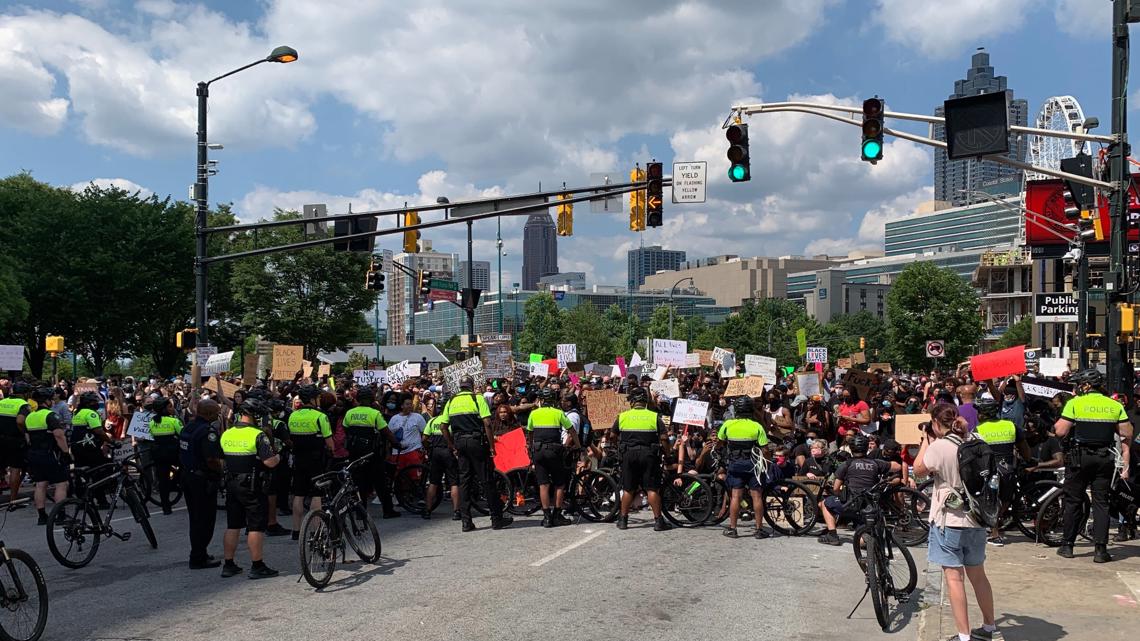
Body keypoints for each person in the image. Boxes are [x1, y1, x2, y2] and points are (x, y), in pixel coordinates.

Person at [913, 403, 999, 641]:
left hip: (949, 518)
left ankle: (963, 635)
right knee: (978, 575)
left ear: (936, 423)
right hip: (977, 517)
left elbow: (918, 470)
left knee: (954, 577)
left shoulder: (939, 446)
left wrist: (925, 440)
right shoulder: (977, 440)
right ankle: (989, 626)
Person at [1053, 368, 1133, 563]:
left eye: (1080, 384)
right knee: (1101, 503)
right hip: (1104, 458)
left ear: (1086, 386)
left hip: (1079, 458)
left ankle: (1067, 546)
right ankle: (1100, 550)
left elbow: (1061, 431)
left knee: (1073, 501)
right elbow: (1127, 432)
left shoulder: (1075, 403)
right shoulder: (1114, 405)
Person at [438, 376, 512, 531]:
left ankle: (466, 522)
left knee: (465, 482)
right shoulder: (477, 398)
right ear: (471, 386)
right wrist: (492, 446)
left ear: (460, 386)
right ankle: (496, 519)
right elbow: (487, 423)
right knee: (487, 480)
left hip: (460, 443)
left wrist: (452, 445)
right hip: (476, 442)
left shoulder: (451, 401)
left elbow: (443, 426)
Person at [220, 398, 281, 579]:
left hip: (232, 484)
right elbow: (270, 462)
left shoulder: (227, 433)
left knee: (233, 525)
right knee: (255, 526)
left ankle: (228, 564)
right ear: (254, 415)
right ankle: (257, 565)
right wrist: (278, 455)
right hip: (252, 486)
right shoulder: (257, 435)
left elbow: (222, 459)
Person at [816, 434, 900, 546]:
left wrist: (840, 494)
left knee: (825, 503)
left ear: (851, 449)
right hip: (870, 507)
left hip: (851, 504)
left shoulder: (846, 464)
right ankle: (866, 538)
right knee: (863, 541)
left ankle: (832, 535)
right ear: (866, 448)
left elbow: (836, 488)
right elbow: (897, 466)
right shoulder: (875, 463)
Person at [609, 386, 671, 532]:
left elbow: (612, 436)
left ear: (632, 402)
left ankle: (623, 520)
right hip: (649, 455)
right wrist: (667, 453)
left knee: (628, 489)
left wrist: (619, 446)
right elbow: (664, 438)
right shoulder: (654, 416)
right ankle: (658, 521)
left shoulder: (622, 416)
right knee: (652, 488)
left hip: (628, 455)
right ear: (646, 401)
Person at [973, 397, 1032, 546]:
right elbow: (1024, 448)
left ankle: (994, 531)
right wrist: (1029, 460)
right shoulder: (1010, 426)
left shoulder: (978, 429)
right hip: (1008, 469)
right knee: (1006, 499)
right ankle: (997, 522)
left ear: (983, 414)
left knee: (991, 500)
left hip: (989, 470)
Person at [716, 396, 770, 539]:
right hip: (753, 465)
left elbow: (719, 443)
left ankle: (733, 529)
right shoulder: (757, 426)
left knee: (735, 496)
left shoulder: (728, 425)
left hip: (735, 464)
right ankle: (759, 529)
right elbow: (765, 450)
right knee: (756, 497)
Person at [342, 387, 400, 518]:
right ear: (372, 399)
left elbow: (346, 429)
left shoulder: (350, 413)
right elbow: (386, 431)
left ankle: (361, 513)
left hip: (354, 454)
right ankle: (388, 511)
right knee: (380, 483)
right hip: (372, 454)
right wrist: (396, 443)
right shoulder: (375, 414)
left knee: (359, 483)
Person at [526, 388, 580, 528]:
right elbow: (571, 430)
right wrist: (578, 446)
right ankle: (557, 515)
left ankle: (547, 518)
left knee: (543, 485)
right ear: (554, 400)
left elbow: (530, 433)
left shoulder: (533, 413)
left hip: (538, 450)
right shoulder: (558, 413)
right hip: (554, 451)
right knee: (559, 484)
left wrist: (530, 448)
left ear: (541, 400)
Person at [179, 398, 224, 569]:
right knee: (204, 519)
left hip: (188, 476)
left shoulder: (188, 427)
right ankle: (198, 557)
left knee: (195, 517)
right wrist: (219, 472)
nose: (218, 415)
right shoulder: (207, 431)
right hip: (202, 479)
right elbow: (211, 459)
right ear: (208, 414)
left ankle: (200, 552)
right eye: (216, 413)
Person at [287, 385, 334, 540]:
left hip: (299, 459)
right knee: (316, 495)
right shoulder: (320, 416)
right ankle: (316, 531)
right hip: (316, 460)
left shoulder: (292, 416)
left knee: (298, 495)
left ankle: (295, 530)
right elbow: (330, 443)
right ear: (313, 399)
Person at [26, 387, 71, 525]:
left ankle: (42, 516)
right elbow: (59, 435)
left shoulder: (30, 416)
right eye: (51, 399)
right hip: (51, 454)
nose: (52, 401)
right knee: (61, 484)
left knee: (41, 484)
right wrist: (65, 453)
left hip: (34, 454)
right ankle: (60, 514)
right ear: (46, 401)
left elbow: (28, 437)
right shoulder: (50, 415)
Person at [147, 396, 184, 515]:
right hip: (173, 453)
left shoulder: (152, 422)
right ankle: (177, 484)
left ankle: (166, 507)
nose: (172, 408)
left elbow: (152, 436)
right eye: (170, 406)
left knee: (163, 480)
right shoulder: (174, 421)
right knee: (186, 470)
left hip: (158, 454)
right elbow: (183, 435)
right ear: (164, 409)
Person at [422, 412, 461, 521]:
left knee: (433, 482)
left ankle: (427, 510)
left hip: (436, 453)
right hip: (449, 452)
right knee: (454, 482)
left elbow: (424, 439)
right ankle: (456, 511)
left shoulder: (432, 421)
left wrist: (429, 448)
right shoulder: (451, 421)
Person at [0, 381, 31, 508]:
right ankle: (13, 501)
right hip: (15, 440)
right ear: (25, 393)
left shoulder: (2, 402)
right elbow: (20, 421)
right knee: (14, 469)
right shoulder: (23, 405)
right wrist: (24, 432)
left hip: (0, 439)